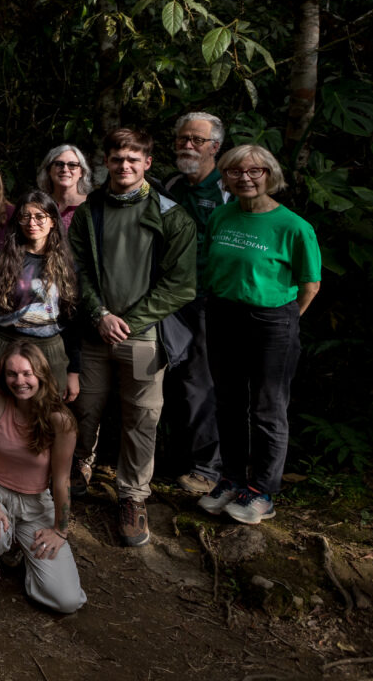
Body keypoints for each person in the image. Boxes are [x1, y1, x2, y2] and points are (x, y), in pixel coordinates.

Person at [67, 127, 196, 547]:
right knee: (84, 407)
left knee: (142, 417)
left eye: (133, 159)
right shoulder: (90, 211)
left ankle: (133, 495)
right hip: (94, 331)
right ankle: (79, 467)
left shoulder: (171, 215)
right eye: (117, 158)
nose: (124, 166)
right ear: (106, 161)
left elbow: (180, 285)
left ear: (147, 163)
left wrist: (130, 321)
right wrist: (100, 314)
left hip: (143, 338)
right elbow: (77, 269)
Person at [197, 144, 321, 526]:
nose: (245, 178)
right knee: (228, 402)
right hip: (223, 314)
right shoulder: (221, 216)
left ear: (270, 175)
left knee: (268, 408)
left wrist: (284, 320)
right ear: (225, 177)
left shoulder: (293, 227)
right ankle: (232, 479)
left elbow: (310, 284)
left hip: (272, 320)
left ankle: (263, 491)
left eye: (255, 171)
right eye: (235, 172)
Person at [0, 342, 87, 615]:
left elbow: (62, 480)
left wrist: (60, 530)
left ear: (41, 374)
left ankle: (21, 550)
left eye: (27, 373)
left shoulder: (60, 420)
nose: (19, 381)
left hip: (34, 505)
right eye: (11, 374)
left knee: (66, 599)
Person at [161, 112, 231, 496]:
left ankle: (208, 467)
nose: (187, 145)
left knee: (199, 382)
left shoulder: (228, 187)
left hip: (208, 299)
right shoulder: (170, 185)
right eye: (182, 139)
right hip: (167, 296)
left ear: (215, 148)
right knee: (166, 378)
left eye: (197, 140)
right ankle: (175, 458)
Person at [0, 190, 80, 401]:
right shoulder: (2, 259)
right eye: (25, 216)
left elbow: (72, 321)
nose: (32, 222)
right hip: (7, 346)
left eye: (40, 216)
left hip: (51, 349)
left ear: (52, 221)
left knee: (49, 419)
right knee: (2, 416)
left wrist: (73, 372)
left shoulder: (66, 263)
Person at [37, 144, 91, 233]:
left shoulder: (92, 206)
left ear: (81, 172)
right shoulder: (38, 205)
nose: (65, 169)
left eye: (72, 165)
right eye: (58, 164)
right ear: (48, 170)